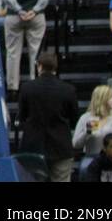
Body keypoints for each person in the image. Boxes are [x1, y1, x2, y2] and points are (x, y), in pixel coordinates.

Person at [17, 51, 78, 182]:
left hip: (33, 147)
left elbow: (21, 117)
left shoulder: (27, 88)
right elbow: (74, 119)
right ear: (55, 67)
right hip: (61, 147)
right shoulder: (68, 89)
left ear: (39, 66)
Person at [3, 0, 50, 96]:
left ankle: (13, 88)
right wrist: (34, 10)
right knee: (35, 51)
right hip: (36, 17)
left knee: (12, 52)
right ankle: (34, 83)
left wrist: (19, 10)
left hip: (14, 17)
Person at [73, 85, 112, 157]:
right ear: (103, 99)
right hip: (92, 158)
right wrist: (88, 132)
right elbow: (76, 144)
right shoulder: (86, 117)